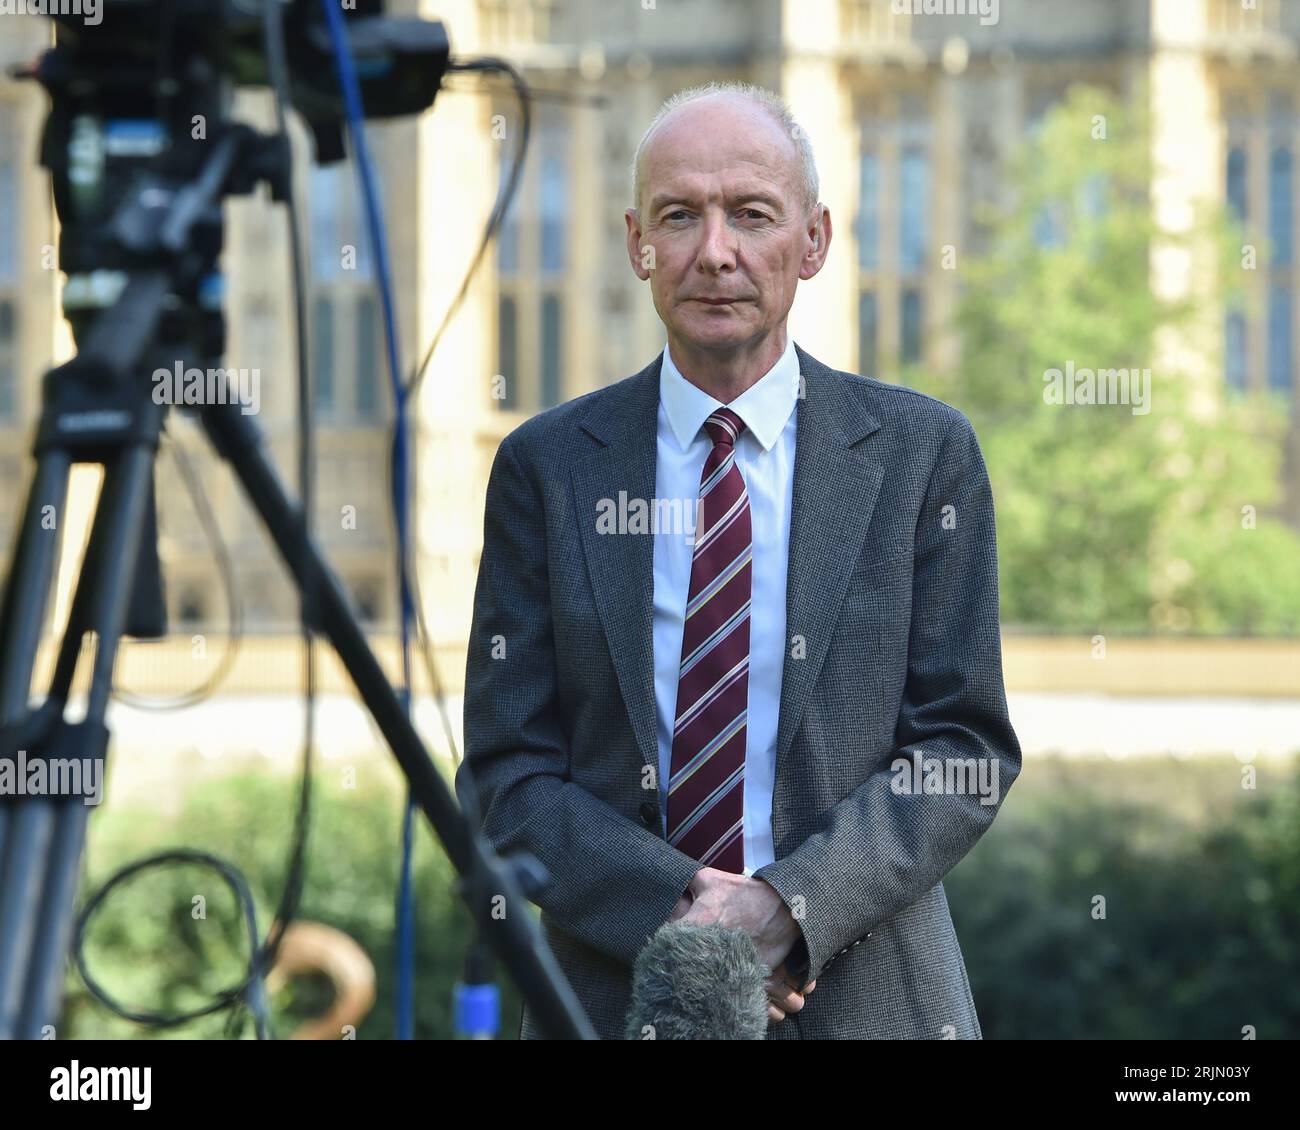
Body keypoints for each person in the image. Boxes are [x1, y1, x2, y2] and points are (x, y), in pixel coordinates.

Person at [456, 81, 1021, 1039]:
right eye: (680, 216)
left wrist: (789, 909)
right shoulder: (546, 470)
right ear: (639, 244)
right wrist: (688, 917)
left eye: (751, 215)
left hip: (871, 1001)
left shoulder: (922, 455)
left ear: (814, 240)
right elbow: (508, 773)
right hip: (612, 999)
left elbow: (964, 751)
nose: (714, 251)